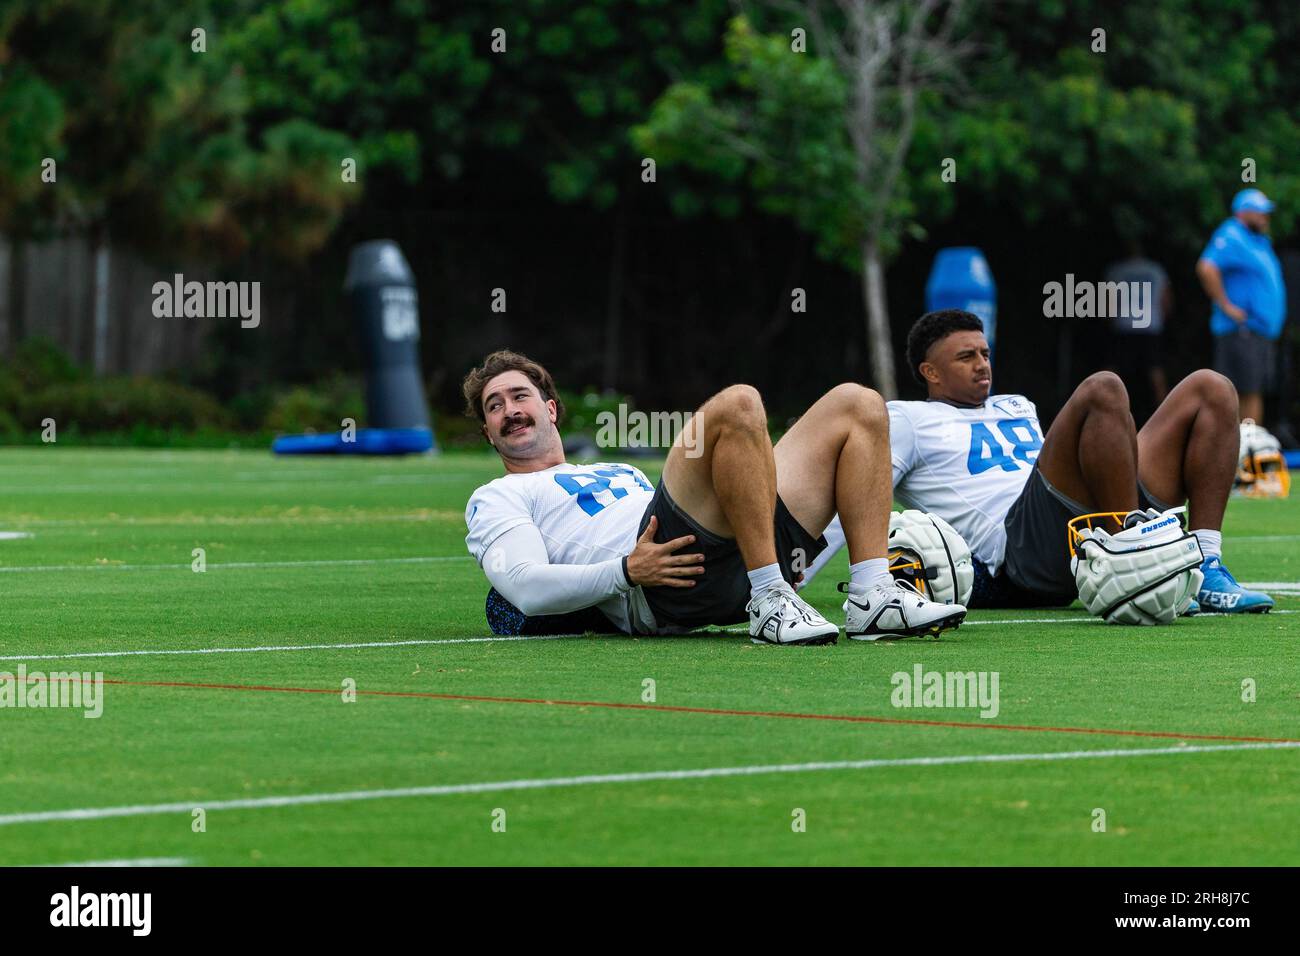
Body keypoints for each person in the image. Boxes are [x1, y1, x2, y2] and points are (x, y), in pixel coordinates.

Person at [461, 350, 965, 645]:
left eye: (519, 396)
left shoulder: (616, 468)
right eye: (494, 406)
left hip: (736, 552)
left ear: (550, 409)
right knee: (739, 404)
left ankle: (872, 595)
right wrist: (625, 572)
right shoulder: (497, 495)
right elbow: (524, 588)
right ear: (488, 432)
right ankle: (768, 598)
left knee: (859, 404)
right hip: (666, 578)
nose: (509, 409)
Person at [805, 310, 1273, 614]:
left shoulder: (1017, 404)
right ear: (930, 372)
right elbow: (859, 491)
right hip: (1020, 551)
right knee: (1104, 388)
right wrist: (791, 570)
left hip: (1080, 522)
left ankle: (1206, 565)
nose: (982, 364)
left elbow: (1074, 460)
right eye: (965, 357)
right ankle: (1137, 557)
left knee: (1211, 387)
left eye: (985, 354)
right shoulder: (907, 418)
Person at [1196, 188, 1286, 426]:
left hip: (1258, 331)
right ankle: (1241, 452)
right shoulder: (1231, 235)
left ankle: (1246, 449)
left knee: (1254, 389)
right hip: (1241, 329)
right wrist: (1226, 305)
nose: (1265, 217)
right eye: (1261, 212)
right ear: (1244, 212)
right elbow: (1207, 267)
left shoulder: (1258, 241)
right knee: (1241, 391)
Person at [1104, 239, 1172, 416]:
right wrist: (1160, 321)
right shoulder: (1155, 269)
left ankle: (1106, 410)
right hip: (1151, 327)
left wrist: (1111, 324)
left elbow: (1109, 302)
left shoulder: (1116, 270)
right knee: (1156, 372)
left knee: (1115, 373)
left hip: (1123, 326)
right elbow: (1166, 300)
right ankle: (1166, 416)